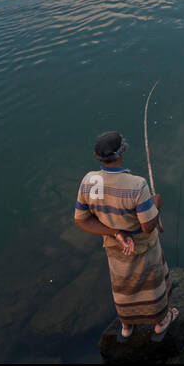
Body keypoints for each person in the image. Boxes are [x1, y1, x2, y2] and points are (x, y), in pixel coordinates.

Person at [73, 131, 177, 340]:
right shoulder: (136, 185)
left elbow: (81, 219)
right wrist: (156, 203)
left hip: (115, 248)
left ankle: (126, 326)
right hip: (143, 247)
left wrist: (115, 232)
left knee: (123, 286)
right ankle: (161, 321)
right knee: (152, 283)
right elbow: (148, 226)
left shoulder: (89, 181)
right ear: (122, 153)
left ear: (98, 157)